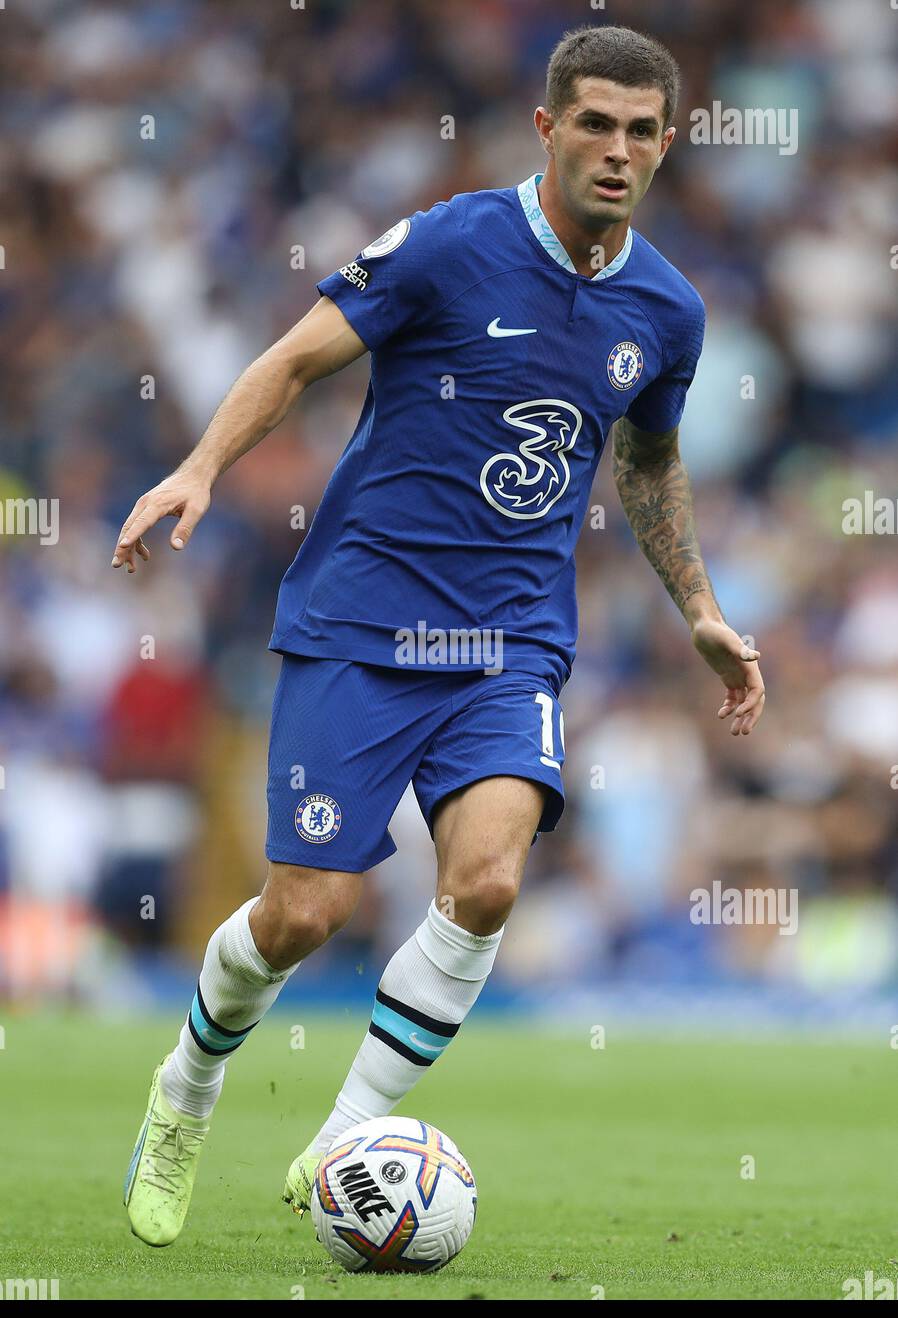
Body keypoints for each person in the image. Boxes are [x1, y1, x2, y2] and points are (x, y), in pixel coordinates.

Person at [115, 24, 765, 1247]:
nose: (616, 151)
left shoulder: (666, 310)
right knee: (303, 914)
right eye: (594, 124)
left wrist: (701, 609)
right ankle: (185, 1088)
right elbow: (296, 356)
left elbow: (652, 459)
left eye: (640, 131)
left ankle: (337, 1144)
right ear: (547, 127)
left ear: (667, 142)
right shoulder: (450, 243)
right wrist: (201, 467)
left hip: (511, 640)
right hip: (360, 620)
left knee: (486, 883)